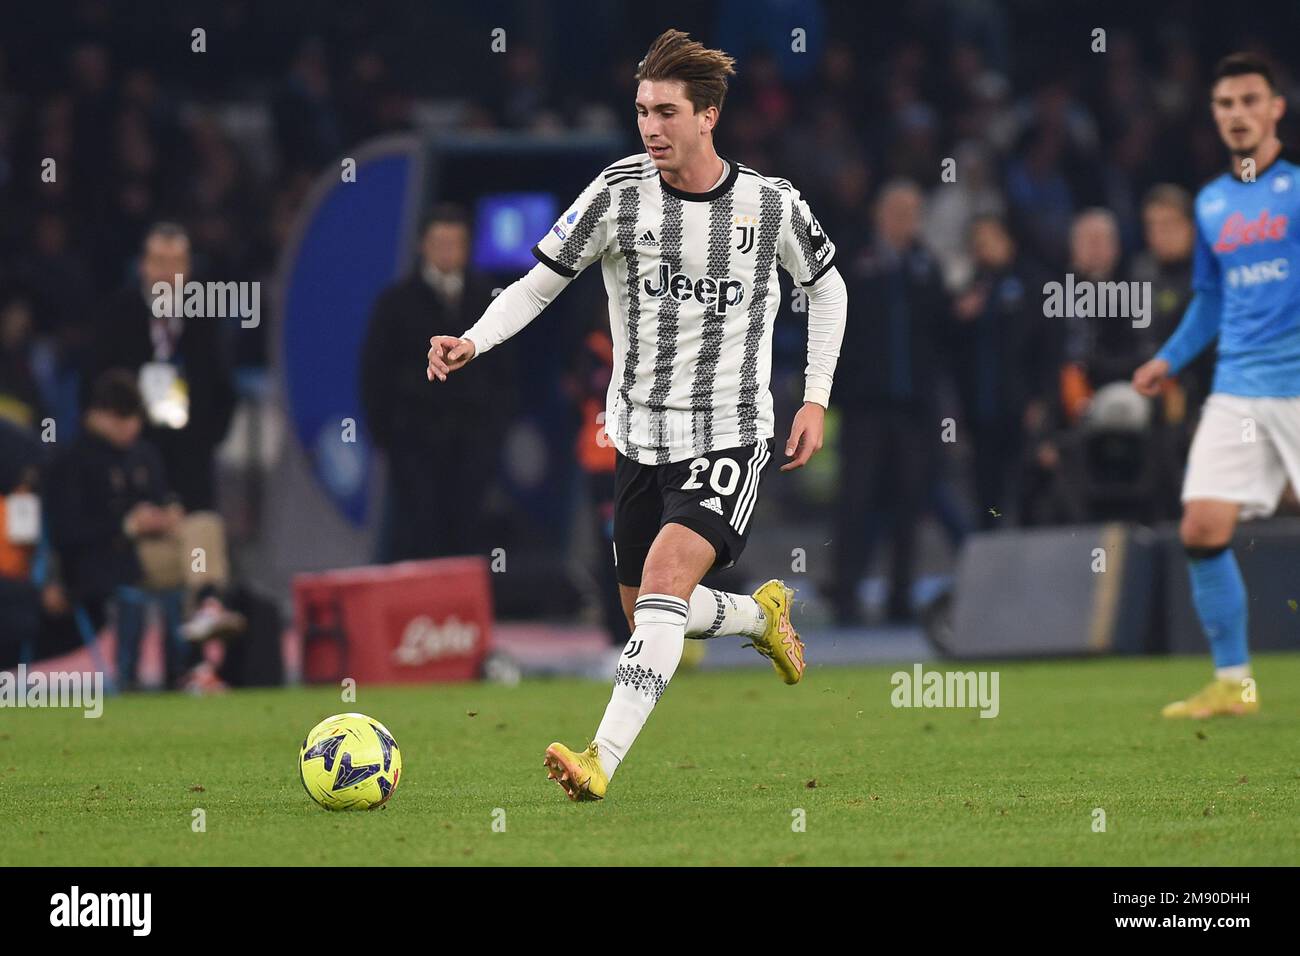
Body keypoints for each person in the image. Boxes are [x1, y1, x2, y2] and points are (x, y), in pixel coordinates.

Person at [426, 29, 847, 801]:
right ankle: (759, 619)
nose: (650, 127)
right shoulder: (618, 194)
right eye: (642, 111)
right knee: (648, 615)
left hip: (729, 434)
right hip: (638, 438)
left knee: (661, 584)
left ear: (708, 115)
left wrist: (814, 395)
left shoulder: (769, 204)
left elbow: (827, 287)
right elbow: (538, 283)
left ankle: (598, 762)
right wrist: (474, 339)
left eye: (666, 111)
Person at [1132, 53, 1300, 718]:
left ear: (1275, 108)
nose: (1237, 114)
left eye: (1249, 101)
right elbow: (1209, 298)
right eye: (1225, 104)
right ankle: (1234, 682)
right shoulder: (1211, 201)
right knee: (1201, 527)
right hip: (1235, 386)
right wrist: (1169, 359)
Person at [45, 370, 244, 688]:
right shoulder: (72, 461)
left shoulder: (143, 454)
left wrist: (168, 514)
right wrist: (128, 525)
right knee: (198, 549)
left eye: (134, 417)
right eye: (121, 417)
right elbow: (67, 532)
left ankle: (206, 608)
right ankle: (198, 643)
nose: (131, 426)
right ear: (96, 415)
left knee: (204, 523)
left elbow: (162, 497)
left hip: (154, 554)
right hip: (105, 561)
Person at [829, 180, 950, 623]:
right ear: (879, 214)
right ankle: (846, 596)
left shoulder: (925, 265)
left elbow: (941, 331)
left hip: (914, 408)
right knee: (855, 503)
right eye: (897, 211)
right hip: (865, 406)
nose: (905, 221)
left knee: (908, 503)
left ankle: (901, 597)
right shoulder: (854, 260)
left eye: (912, 213)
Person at [359, 205, 505, 563]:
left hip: (472, 442)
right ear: (422, 245)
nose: (447, 251)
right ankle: (421, 616)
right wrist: (389, 436)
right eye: (439, 242)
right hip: (414, 444)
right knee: (420, 534)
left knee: (467, 536)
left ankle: (461, 616)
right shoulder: (396, 302)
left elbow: (505, 373)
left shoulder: (489, 300)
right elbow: (374, 373)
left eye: (455, 243)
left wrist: (493, 433)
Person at [87, 222, 236, 513]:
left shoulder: (207, 320)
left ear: (189, 269)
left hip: (192, 475)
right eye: (159, 262)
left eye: (176, 263)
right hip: (126, 474)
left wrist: (202, 442)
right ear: (143, 266)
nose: (167, 274)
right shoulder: (115, 316)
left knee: (202, 542)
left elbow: (224, 394)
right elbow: (92, 393)